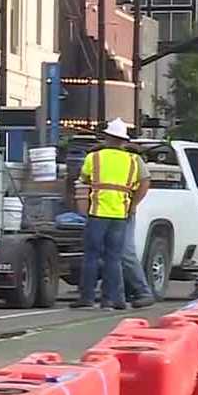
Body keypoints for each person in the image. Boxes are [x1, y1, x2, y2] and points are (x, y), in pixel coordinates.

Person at [72, 118, 149, 310]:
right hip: (120, 214)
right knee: (113, 258)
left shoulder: (94, 157)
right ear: (123, 141)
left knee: (91, 255)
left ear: (107, 137)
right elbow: (145, 182)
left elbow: (83, 179)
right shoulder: (133, 160)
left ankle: (87, 297)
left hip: (98, 212)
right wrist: (133, 205)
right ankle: (110, 299)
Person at [121, 144, 156, 308]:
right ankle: (121, 293)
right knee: (112, 254)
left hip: (123, 211)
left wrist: (133, 205)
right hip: (104, 211)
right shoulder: (100, 157)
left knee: (125, 252)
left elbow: (144, 182)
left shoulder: (133, 159)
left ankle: (143, 291)